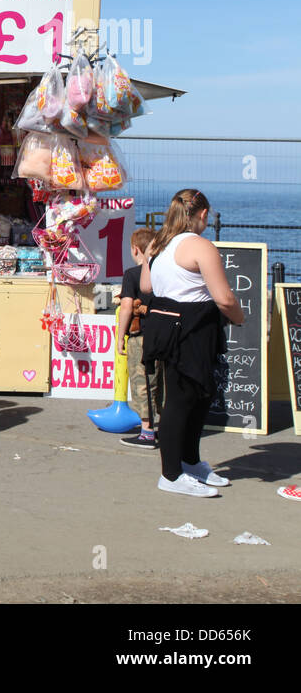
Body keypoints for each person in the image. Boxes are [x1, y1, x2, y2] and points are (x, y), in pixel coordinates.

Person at [140, 189, 244, 497]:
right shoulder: (200, 245)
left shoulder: (158, 244)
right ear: (202, 214)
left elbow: (146, 285)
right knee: (182, 400)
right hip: (192, 328)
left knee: (198, 395)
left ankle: (190, 462)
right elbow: (224, 297)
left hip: (165, 327)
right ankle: (171, 474)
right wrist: (240, 318)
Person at [117, 226, 161, 449]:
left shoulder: (132, 275)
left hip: (141, 336)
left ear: (136, 249)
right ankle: (163, 426)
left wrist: (120, 336)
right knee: (159, 382)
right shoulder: (164, 272)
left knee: (141, 381)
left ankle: (147, 430)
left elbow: (126, 307)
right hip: (164, 334)